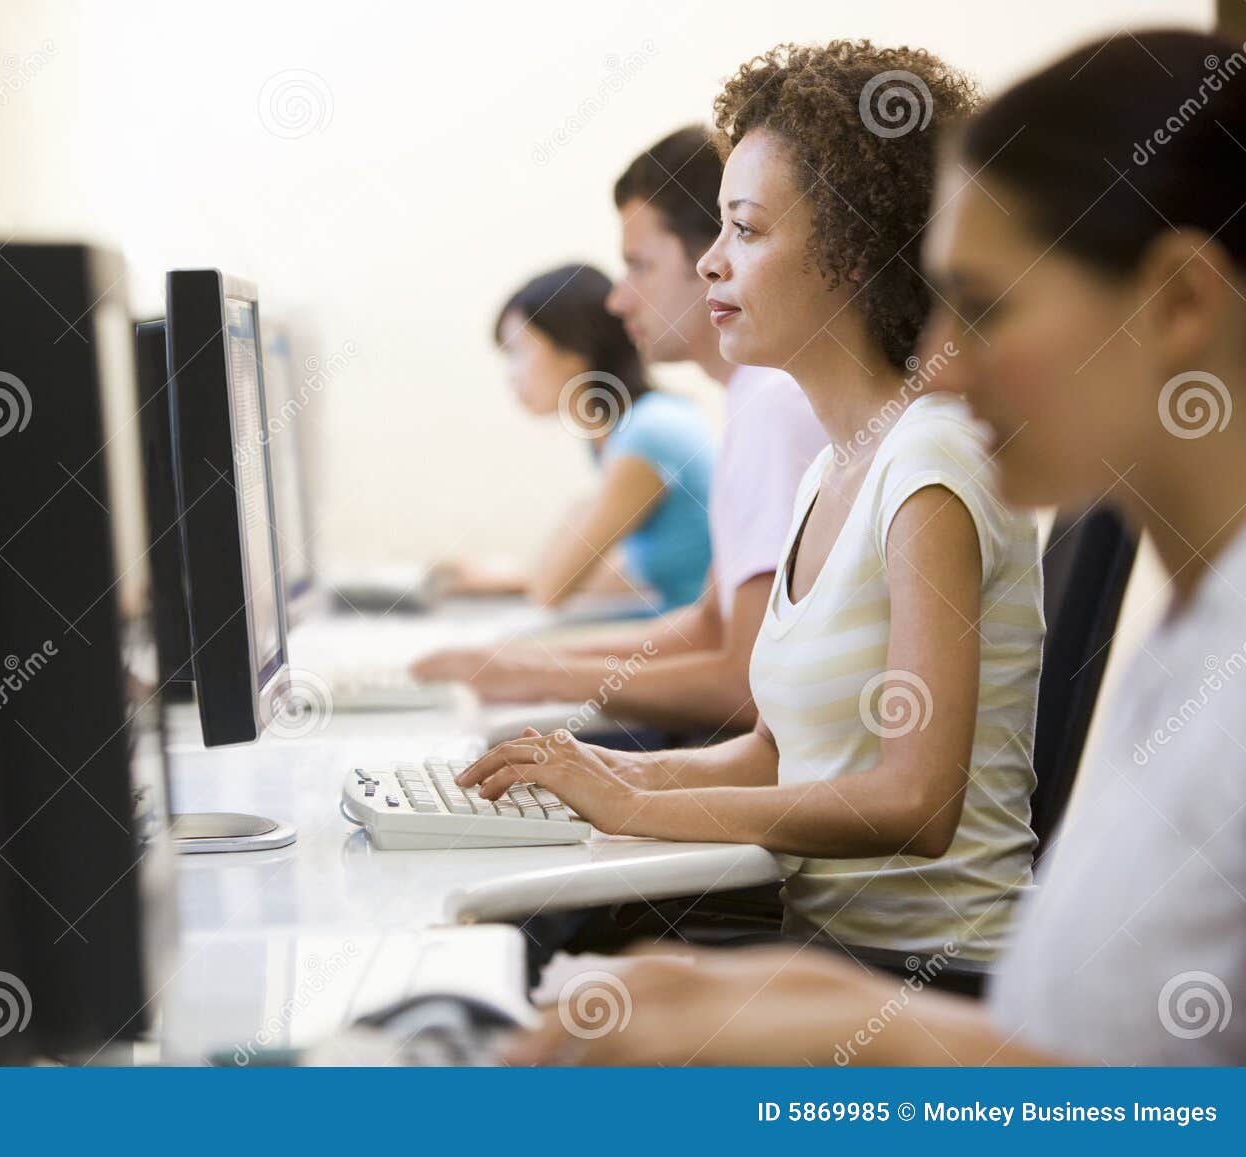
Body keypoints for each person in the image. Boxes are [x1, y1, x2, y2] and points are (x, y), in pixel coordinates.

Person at [509, 28, 1246, 1065]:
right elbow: (1089, 1046)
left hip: (921, 967)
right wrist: (801, 985)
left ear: (1178, 305)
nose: (940, 364)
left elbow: (1135, 1100)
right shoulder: (1192, 641)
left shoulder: (937, 462)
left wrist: (872, 1026)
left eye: (983, 308)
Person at [460, 40, 1045, 960]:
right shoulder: (832, 467)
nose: (710, 264)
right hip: (826, 953)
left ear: (853, 250)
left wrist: (635, 804)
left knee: (553, 988)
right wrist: (612, 771)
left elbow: (916, 804)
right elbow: (775, 752)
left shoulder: (932, 462)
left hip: (927, 981)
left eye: (747, 229)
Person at [414, 129, 827, 735]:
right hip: (727, 723)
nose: (618, 299)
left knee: (487, 754)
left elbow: (743, 684)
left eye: (639, 266)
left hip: (729, 738)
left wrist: (539, 673)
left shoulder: (756, 409)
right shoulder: (746, 404)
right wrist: (525, 663)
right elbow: (710, 623)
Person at [438, 263, 714, 611]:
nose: (511, 376)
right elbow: (621, 572)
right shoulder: (631, 428)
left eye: (518, 351)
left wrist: (579, 509)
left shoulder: (648, 433)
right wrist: (510, 579)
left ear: (572, 351)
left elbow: (551, 591)